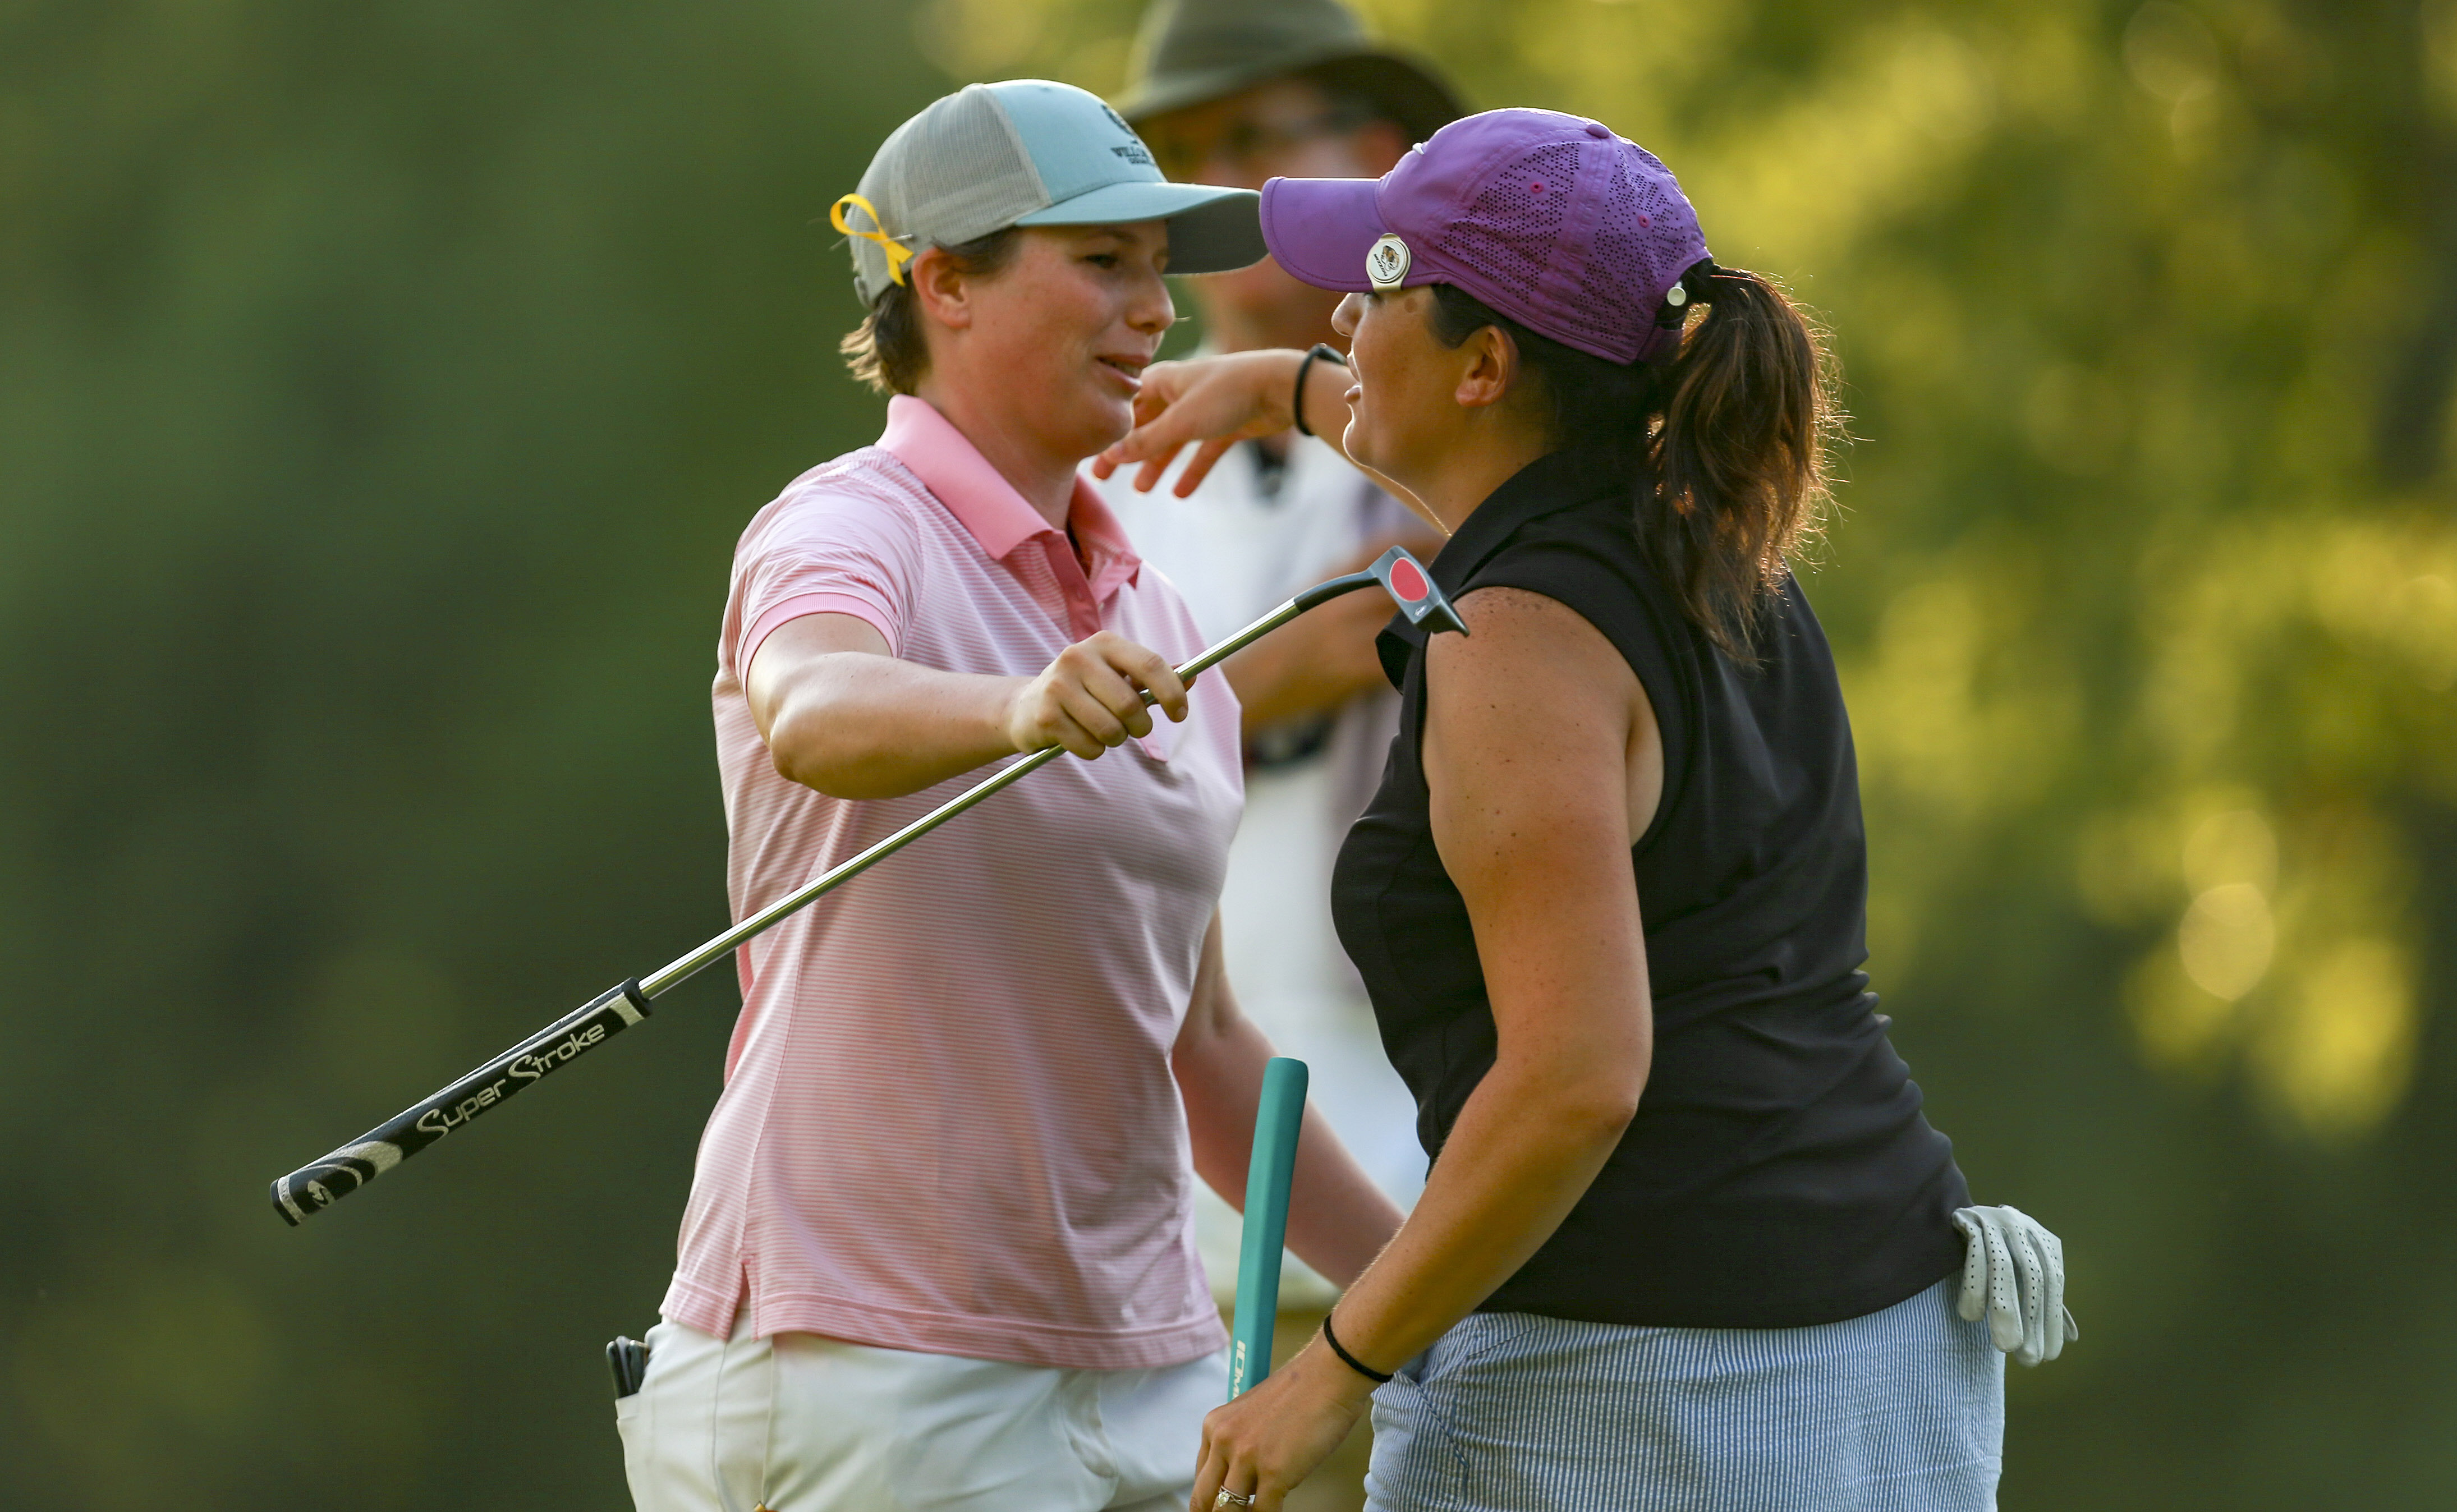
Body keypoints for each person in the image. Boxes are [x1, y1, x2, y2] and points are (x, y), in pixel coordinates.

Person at [1095, 109, 2074, 1511]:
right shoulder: (1706, 524)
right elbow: (1504, 459)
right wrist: (1290, 390)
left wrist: (1333, 1376)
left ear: (1486, 363)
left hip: (1655, 1391)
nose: (1339, 316)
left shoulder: (1515, 650)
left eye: (1373, 292)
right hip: (1881, 1340)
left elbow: (1572, 1082)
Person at [617, 80, 1402, 1512]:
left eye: (1161, 270)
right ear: (945, 283)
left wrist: (1429, 1296)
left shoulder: (1167, 619)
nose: (1155, 310)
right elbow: (813, 706)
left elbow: (1205, 1040)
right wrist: (1016, 708)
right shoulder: (846, 522)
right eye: (1102, 262)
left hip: (1141, 1365)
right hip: (868, 1357)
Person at [1101, 0, 1468, 1291]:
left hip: (1437, 1137)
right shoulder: (1098, 451)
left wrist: (1136, 703)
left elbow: (1411, 593)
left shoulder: (1479, 388)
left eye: (1245, 137)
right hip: (1155, 1176)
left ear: (1371, 150)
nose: (1209, 193)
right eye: (1175, 158)